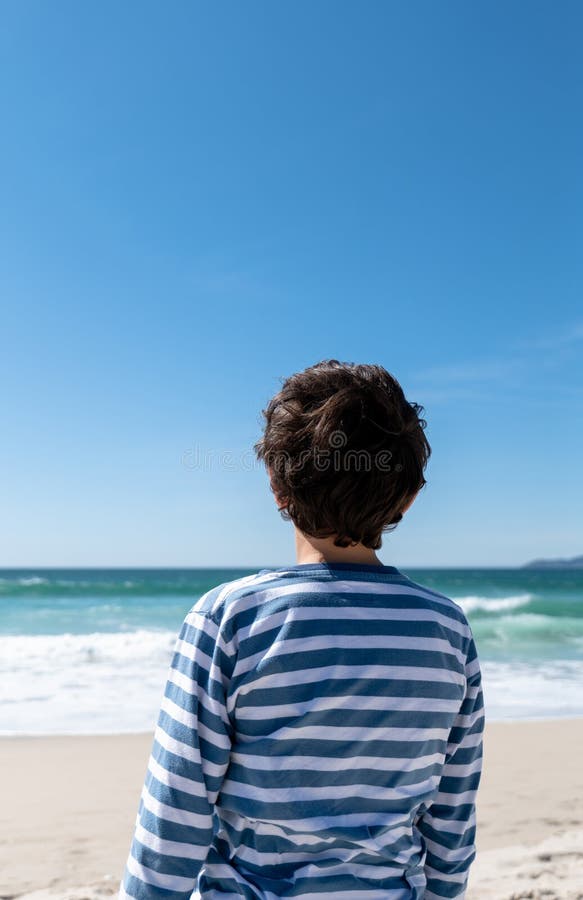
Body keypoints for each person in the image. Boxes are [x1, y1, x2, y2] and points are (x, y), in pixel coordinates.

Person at [118, 359, 485, 900]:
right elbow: (453, 808)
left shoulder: (231, 617)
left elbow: (177, 806)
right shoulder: (446, 630)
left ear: (276, 484)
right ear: (408, 497)